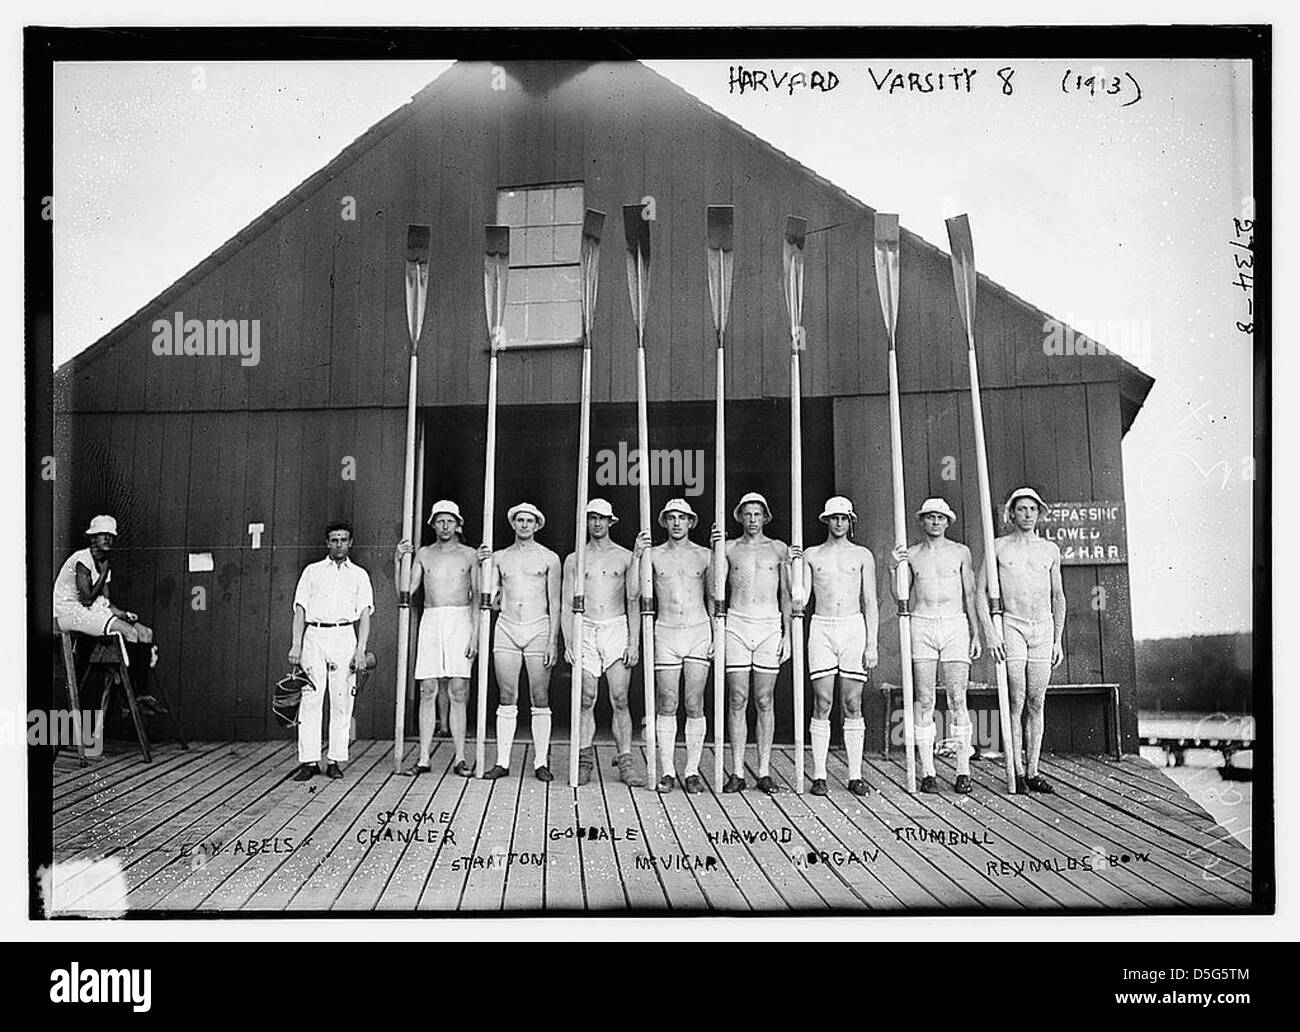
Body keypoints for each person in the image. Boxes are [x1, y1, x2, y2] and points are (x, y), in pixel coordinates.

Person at [889, 498, 981, 795]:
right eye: (930, 518)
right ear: (922, 521)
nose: (935, 522)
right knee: (925, 699)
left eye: (940, 518)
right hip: (923, 623)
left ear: (948, 521)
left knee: (957, 698)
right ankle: (928, 771)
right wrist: (893, 569)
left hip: (955, 624)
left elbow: (970, 594)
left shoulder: (960, 552)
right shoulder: (912, 555)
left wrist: (976, 633)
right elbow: (900, 598)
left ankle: (963, 770)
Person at [980, 487, 1066, 794]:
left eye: (1032, 509)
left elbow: (1058, 596)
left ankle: (1033, 770)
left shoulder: (1050, 550)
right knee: (1016, 700)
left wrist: (1057, 639)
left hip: (1042, 628)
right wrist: (991, 633)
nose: (1027, 514)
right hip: (1012, 627)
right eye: (1021, 509)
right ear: (1011, 514)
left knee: (1036, 701)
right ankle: (1015, 767)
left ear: (1039, 513)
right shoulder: (998, 547)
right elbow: (980, 594)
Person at [796, 496, 877, 797]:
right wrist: (793, 568)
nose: (839, 523)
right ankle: (819, 774)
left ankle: (855, 774)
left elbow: (870, 601)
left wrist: (872, 643)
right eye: (834, 518)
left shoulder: (862, 556)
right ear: (826, 521)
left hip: (853, 627)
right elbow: (801, 599)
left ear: (850, 521)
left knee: (852, 702)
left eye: (844, 518)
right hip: (822, 627)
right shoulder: (811, 555)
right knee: (822, 701)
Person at [562, 498, 645, 788]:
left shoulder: (624, 557)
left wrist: (634, 643)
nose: (597, 523)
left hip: (616, 626)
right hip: (585, 628)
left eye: (602, 518)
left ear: (611, 521)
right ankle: (584, 760)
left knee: (620, 698)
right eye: (592, 518)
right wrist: (569, 641)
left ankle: (625, 761)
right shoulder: (575, 558)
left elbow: (634, 600)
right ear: (586, 521)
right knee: (586, 698)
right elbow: (565, 603)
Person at [711, 492, 790, 795]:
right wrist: (713, 551)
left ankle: (764, 770)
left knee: (765, 698)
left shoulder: (778, 549)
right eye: (748, 514)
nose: (753, 520)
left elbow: (787, 593)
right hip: (737, 623)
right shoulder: (728, 549)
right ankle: (736, 770)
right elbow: (714, 588)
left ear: (765, 517)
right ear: (740, 517)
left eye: (758, 514)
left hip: (769, 624)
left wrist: (788, 635)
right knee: (737, 697)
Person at [394, 500, 479, 778]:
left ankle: (461, 758)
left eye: (450, 521)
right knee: (427, 690)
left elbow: (478, 598)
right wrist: (398, 562)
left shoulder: (469, 555)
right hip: (431, 619)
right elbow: (405, 591)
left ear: (458, 524)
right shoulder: (424, 554)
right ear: (432, 524)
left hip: (460, 619)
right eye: (440, 521)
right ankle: (423, 757)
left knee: (458, 691)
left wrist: (475, 636)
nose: (445, 526)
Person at [479, 503, 561, 782]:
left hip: (539, 627)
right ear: (512, 524)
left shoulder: (549, 558)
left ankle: (540, 762)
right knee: (506, 695)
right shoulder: (500, 557)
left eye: (529, 521)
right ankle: (502, 761)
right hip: (507, 627)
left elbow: (555, 602)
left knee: (540, 696)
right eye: (519, 520)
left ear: (537, 525)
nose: (524, 525)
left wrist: (553, 641)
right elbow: (487, 599)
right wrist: (483, 566)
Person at [287, 521, 374, 781]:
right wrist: (296, 643)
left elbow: (364, 615)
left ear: (350, 543)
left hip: (344, 635)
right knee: (311, 699)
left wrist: (361, 651)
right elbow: (300, 609)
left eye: (343, 540)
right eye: (334, 540)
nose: (339, 544)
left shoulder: (359, 575)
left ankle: (335, 759)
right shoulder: (312, 572)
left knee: (342, 700)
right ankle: (310, 761)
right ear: (327, 543)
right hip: (314, 635)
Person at [53, 514, 160, 711]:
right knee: (131, 633)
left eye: (111, 535)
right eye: (103, 535)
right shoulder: (82, 559)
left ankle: (141, 694)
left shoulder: (103, 563)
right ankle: (127, 698)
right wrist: (102, 574)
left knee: (145, 633)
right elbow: (86, 599)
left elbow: (105, 603)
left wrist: (124, 614)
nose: (108, 539)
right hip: (68, 613)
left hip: (89, 612)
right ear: (93, 538)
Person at [646, 498, 716, 794]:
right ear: (664, 522)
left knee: (694, 702)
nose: (676, 523)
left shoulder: (706, 555)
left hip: (698, 629)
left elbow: (714, 597)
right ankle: (667, 771)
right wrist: (638, 555)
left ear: (691, 522)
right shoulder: (653, 555)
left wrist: (715, 633)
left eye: (682, 518)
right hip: (666, 629)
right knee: (667, 701)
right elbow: (638, 593)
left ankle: (691, 770)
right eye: (671, 517)